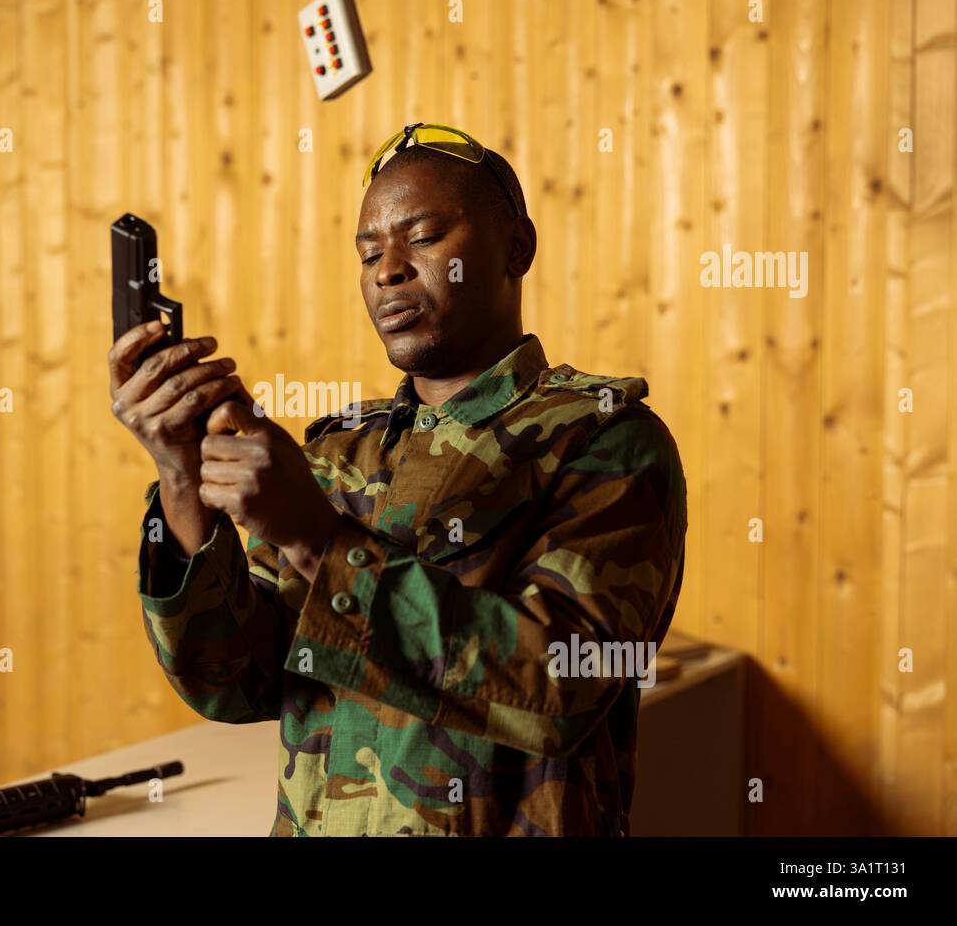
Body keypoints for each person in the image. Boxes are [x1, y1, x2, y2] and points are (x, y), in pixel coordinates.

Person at [107, 122, 688, 836]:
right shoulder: (336, 452)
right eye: (368, 252)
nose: (388, 269)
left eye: (423, 236)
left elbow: (559, 687)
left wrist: (319, 540)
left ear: (517, 248)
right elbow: (234, 681)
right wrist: (180, 478)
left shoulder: (604, 440)